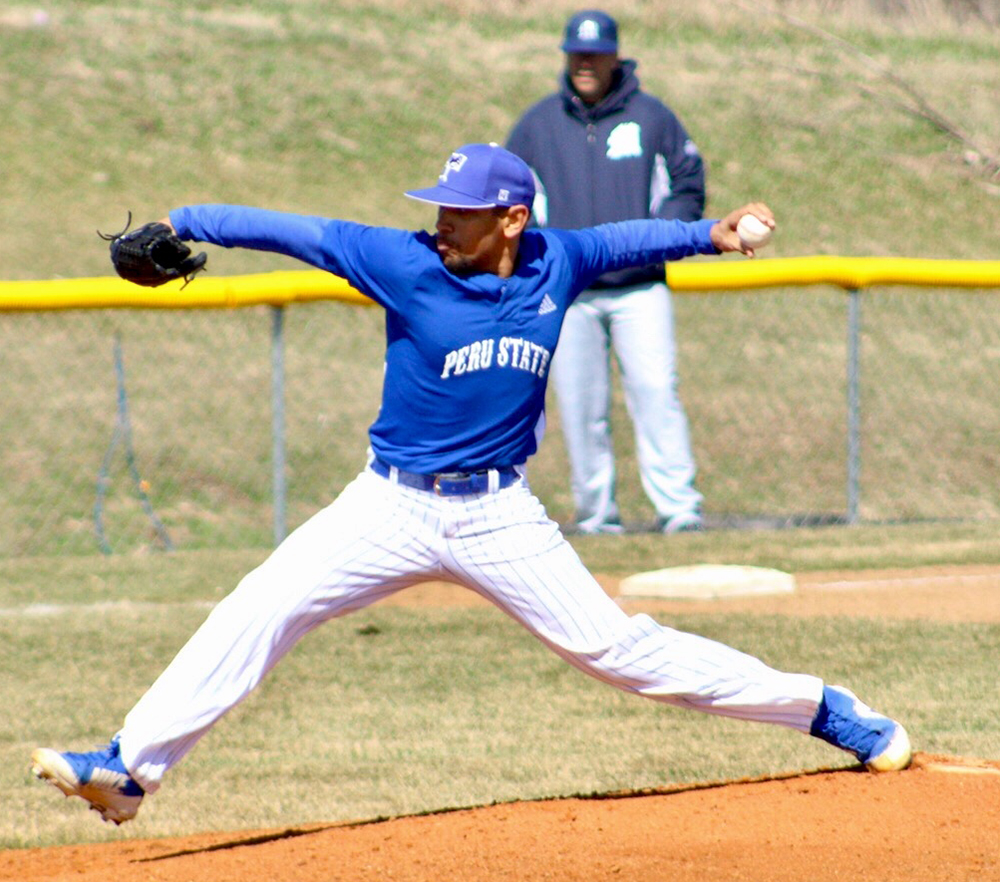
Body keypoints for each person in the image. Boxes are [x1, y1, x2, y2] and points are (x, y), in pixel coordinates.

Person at [31, 143, 910, 826]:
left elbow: (626, 240)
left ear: (512, 220)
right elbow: (297, 229)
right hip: (387, 504)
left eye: (461, 211)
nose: (441, 222)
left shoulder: (554, 263)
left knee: (622, 654)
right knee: (261, 606)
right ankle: (129, 769)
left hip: (498, 513)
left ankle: (827, 710)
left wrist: (709, 235)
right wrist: (188, 220)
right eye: (440, 207)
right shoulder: (403, 261)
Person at [507, 9, 707, 534]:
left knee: (656, 393)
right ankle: (597, 516)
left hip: (640, 288)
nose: (585, 63)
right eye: (577, 54)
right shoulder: (537, 126)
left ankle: (679, 510)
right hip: (570, 293)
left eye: (595, 54)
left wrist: (657, 241)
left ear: (616, 56)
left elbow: (687, 186)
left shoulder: (653, 118)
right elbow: (511, 203)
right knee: (580, 407)